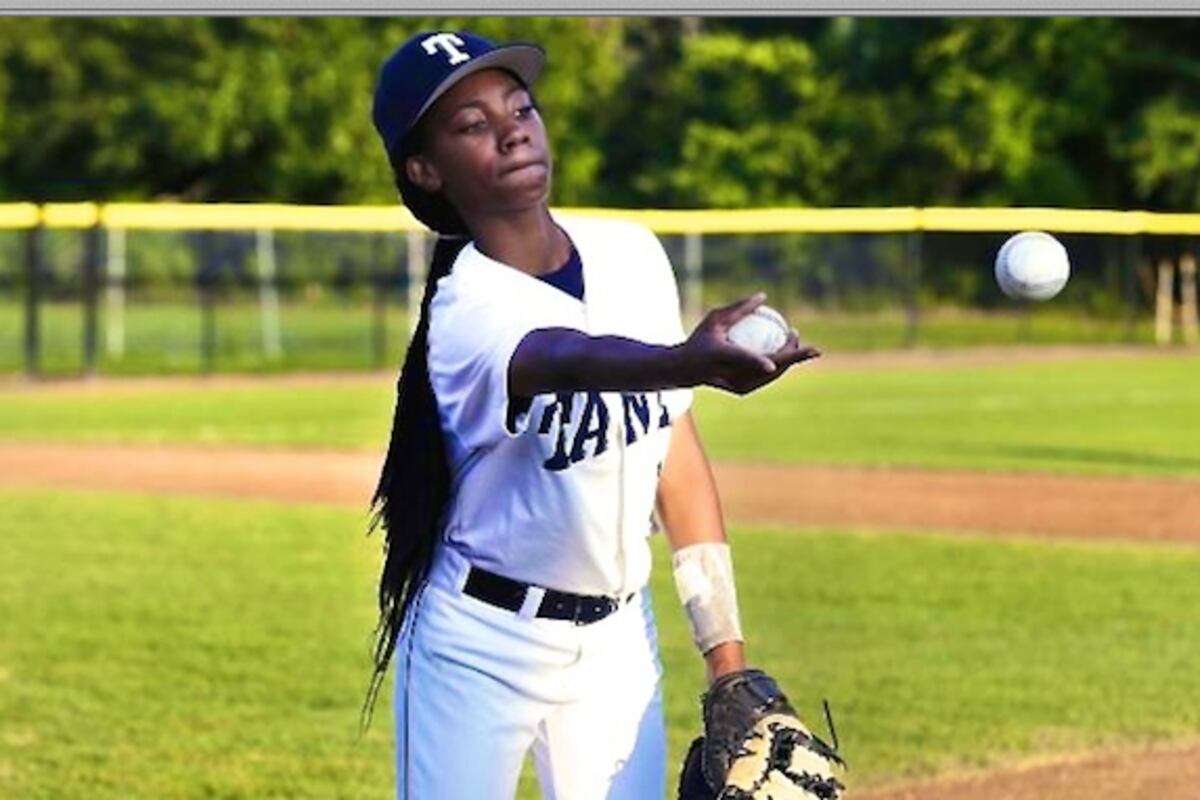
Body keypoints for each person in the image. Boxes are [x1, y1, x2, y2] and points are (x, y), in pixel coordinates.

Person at [365, 30, 821, 799]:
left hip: (615, 643)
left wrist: (726, 658)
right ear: (425, 168)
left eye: (520, 106)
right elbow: (565, 358)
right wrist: (686, 360)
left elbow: (671, 451)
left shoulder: (632, 254)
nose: (513, 128)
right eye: (472, 124)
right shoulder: (467, 309)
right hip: (478, 644)